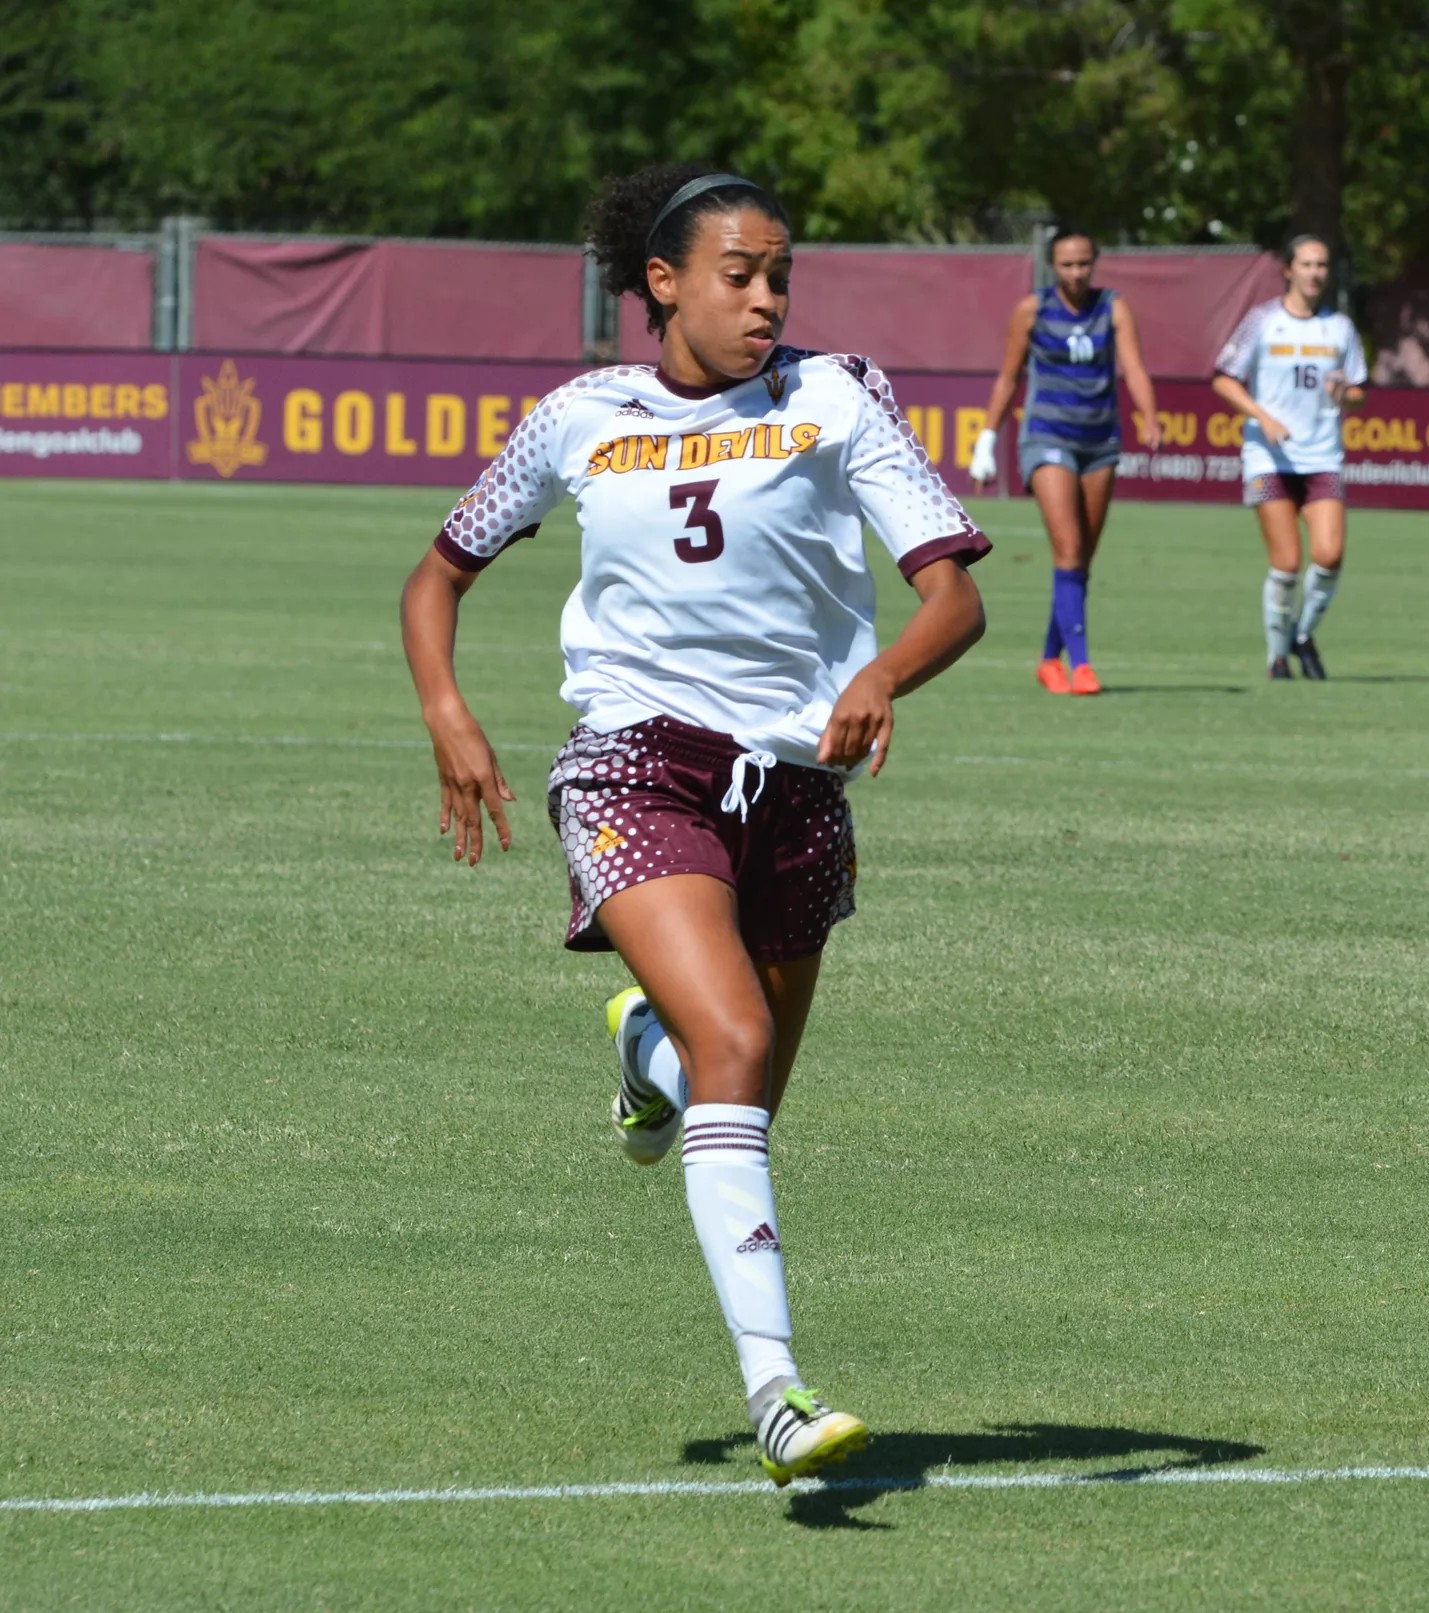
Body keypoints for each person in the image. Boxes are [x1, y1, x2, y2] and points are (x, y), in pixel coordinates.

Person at [398, 164, 989, 1489]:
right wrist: (447, 708)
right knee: (737, 1040)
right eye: (741, 275)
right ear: (663, 284)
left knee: (744, 1089)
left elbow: (952, 593)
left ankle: (645, 1051)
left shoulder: (834, 398)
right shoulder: (576, 417)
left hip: (795, 789)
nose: (769, 299)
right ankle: (778, 1390)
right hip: (632, 762)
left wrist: (883, 672)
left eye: (783, 276)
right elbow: (438, 573)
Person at [968, 228, 1161, 695]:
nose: (1076, 273)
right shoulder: (1032, 310)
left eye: (1083, 264)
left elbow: (1133, 367)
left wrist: (1149, 416)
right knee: (1069, 550)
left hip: (1100, 441)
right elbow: (1009, 376)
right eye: (1067, 264)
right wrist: (986, 439)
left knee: (1080, 561)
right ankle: (1083, 665)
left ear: (1094, 263)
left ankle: (1050, 658)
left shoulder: (1113, 307)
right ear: (1053, 266)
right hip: (1047, 436)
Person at [1210, 235, 1368, 680]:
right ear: (1288, 269)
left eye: (1322, 264)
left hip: (1322, 456)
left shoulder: (1339, 328)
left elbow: (1358, 392)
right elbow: (1224, 379)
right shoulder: (1262, 321)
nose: (1315, 272)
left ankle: (1302, 634)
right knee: (1287, 562)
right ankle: (1277, 658)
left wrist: (1346, 394)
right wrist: (1264, 417)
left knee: (1330, 555)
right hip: (1270, 457)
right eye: (1307, 264)